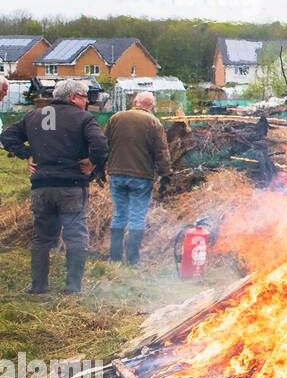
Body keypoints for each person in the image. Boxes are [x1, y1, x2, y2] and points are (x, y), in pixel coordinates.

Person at [0, 79, 108, 294]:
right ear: (73, 97)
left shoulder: (33, 115)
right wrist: (92, 163)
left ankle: (38, 286)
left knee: (41, 237)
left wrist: (27, 154)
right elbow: (101, 146)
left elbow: (6, 136)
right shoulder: (84, 119)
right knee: (75, 235)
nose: (87, 102)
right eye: (85, 97)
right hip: (72, 185)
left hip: (42, 186)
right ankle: (73, 286)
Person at [105, 91, 172, 263]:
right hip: (141, 176)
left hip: (116, 173)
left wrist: (101, 168)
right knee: (136, 216)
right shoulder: (153, 122)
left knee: (119, 214)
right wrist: (165, 174)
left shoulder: (116, 118)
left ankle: (114, 257)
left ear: (135, 102)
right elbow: (161, 152)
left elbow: (104, 143)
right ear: (152, 106)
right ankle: (132, 259)